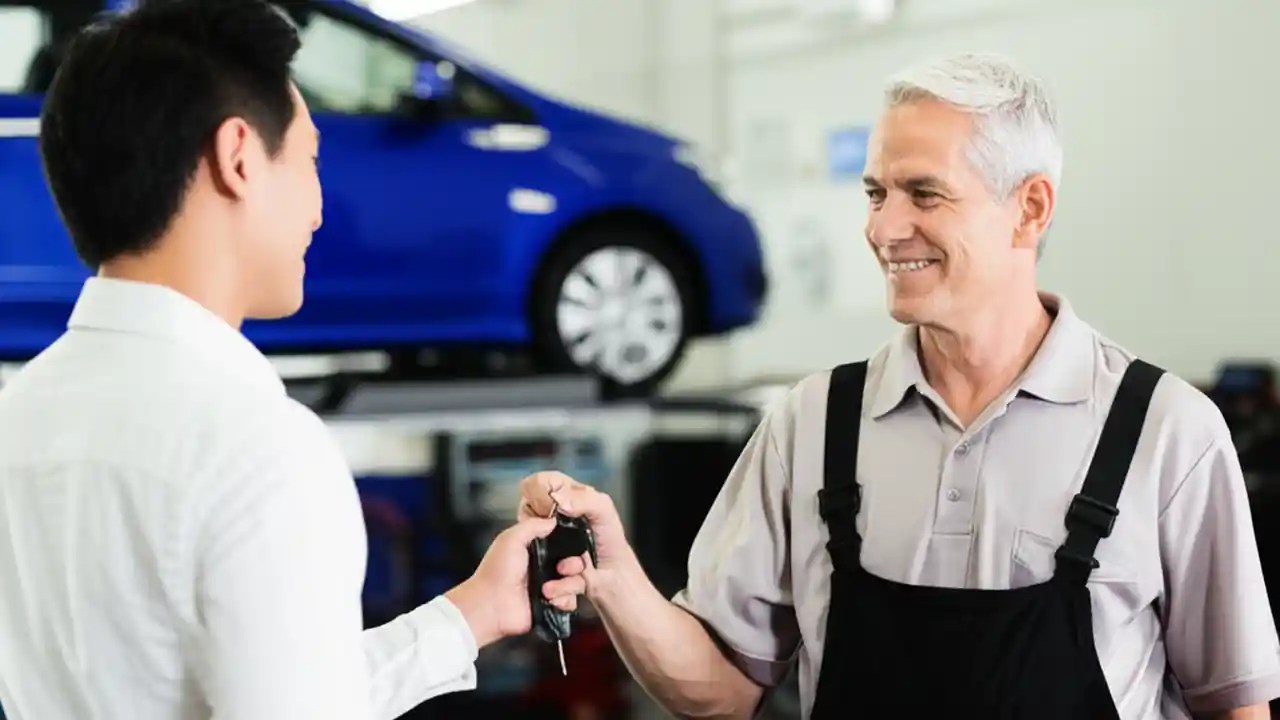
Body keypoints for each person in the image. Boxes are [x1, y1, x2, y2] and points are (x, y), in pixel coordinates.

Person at [521, 52, 1280, 719]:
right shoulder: (813, 426)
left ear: (1030, 208)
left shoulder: (1167, 432)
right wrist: (613, 579)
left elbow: (1234, 706)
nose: (883, 229)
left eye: (924, 193)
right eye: (876, 193)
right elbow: (720, 691)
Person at [0, 1, 582, 718]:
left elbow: (279, 686)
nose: (318, 207)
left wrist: (470, 616)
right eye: (309, 160)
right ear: (238, 156)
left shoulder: (19, 416)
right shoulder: (257, 447)